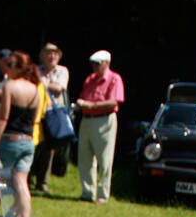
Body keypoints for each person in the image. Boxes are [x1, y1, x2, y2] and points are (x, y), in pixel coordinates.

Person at [0, 51, 43, 217]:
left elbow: (3, 117)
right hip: (27, 142)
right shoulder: (36, 89)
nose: (6, 67)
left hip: (9, 140)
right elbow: (33, 120)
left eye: (10, 64)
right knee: (21, 182)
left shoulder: (10, 86)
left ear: (19, 68)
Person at [75, 49, 125, 203]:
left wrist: (92, 105)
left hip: (104, 120)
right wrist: (82, 104)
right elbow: (83, 97)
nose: (94, 67)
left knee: (104, 159)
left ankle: (102, 195)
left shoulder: (114, 79)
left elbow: (114, 101)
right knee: (85, 157)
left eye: (97, 64)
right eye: (93, 64)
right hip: (87, 119)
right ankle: (87, 193)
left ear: (106, 63)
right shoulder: (90, 78)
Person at [30, 43, 71, 190]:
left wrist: (42, 82)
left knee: (49, 148)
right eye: (48, 53)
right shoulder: (37, 69)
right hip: (36, 113)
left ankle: (43, 182)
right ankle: (28, 179)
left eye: (55, 54)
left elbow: (59, 88)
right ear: (42, 56)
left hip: (53, 115)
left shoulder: (62, 71)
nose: (52, 56)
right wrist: (47, 84)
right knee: (33, 146)